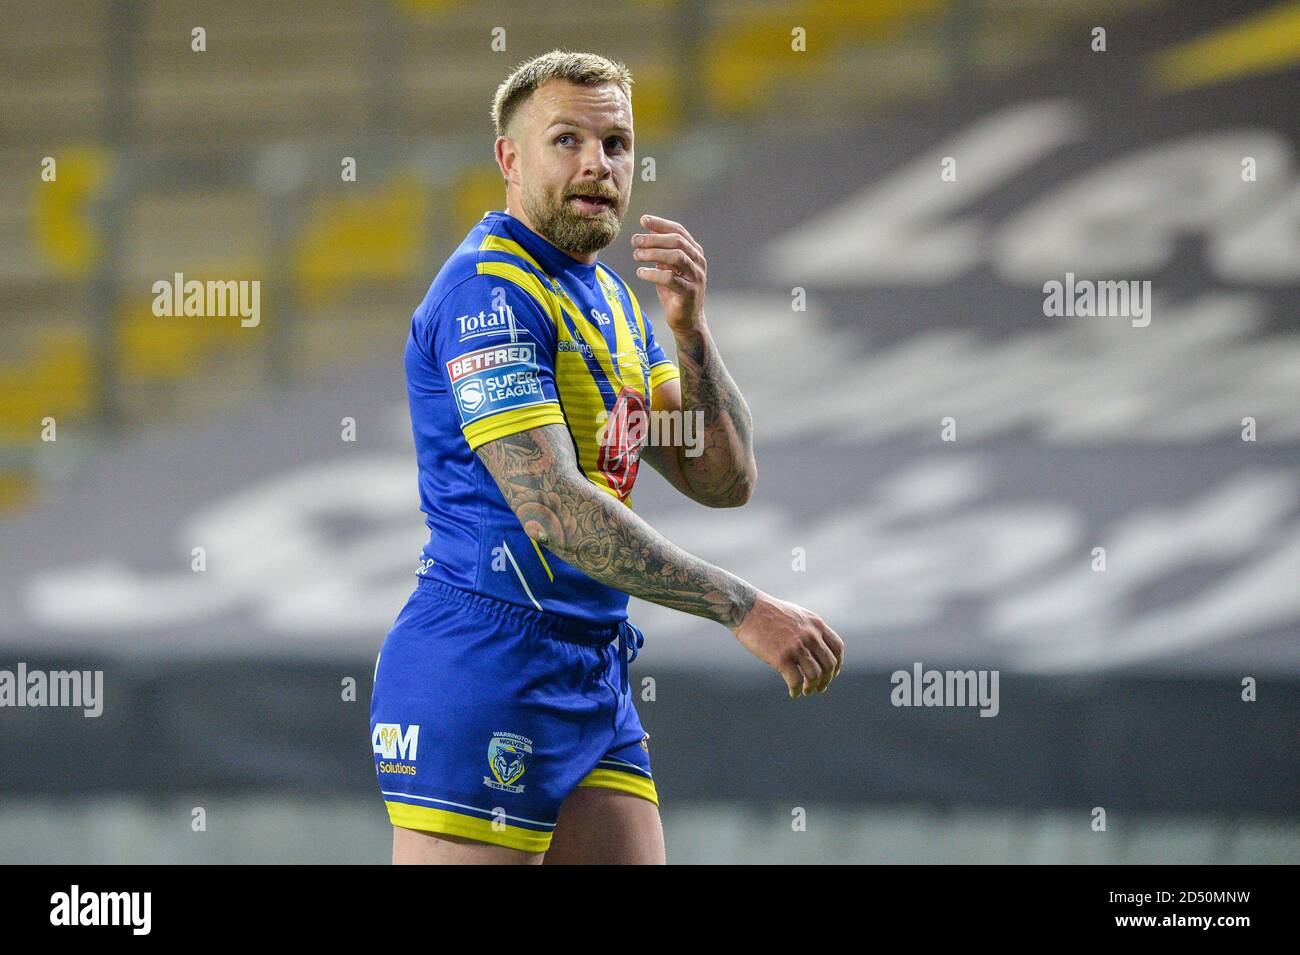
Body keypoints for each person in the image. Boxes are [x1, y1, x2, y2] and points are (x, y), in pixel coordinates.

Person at [370, 49, 844, 865]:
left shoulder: (613, 300)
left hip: (590, 667)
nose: (598, 164)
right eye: (567, 141)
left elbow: (721, 476)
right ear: (508, 159)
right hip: (483, 663)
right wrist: (743, 607)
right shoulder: (490, 292)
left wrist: (692, 331)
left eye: (617, 144)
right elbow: (553, 508)